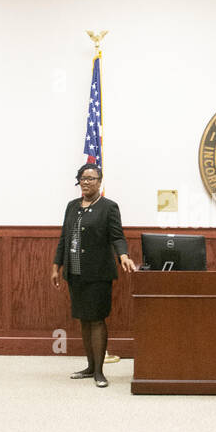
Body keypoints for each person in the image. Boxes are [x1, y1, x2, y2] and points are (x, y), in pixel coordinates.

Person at [51, 164, 136, 387]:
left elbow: (117, 236)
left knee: (97, 319)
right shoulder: (71, 207)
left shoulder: (109, 207)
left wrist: (124, 256)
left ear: (100, 182)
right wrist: (56, 266)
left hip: (98, 273)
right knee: (84, 319)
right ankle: (89, 367)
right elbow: (64, 238)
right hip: (75, 272)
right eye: (83, 178)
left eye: (91, 178)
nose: (86, 182)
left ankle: (99, 371)